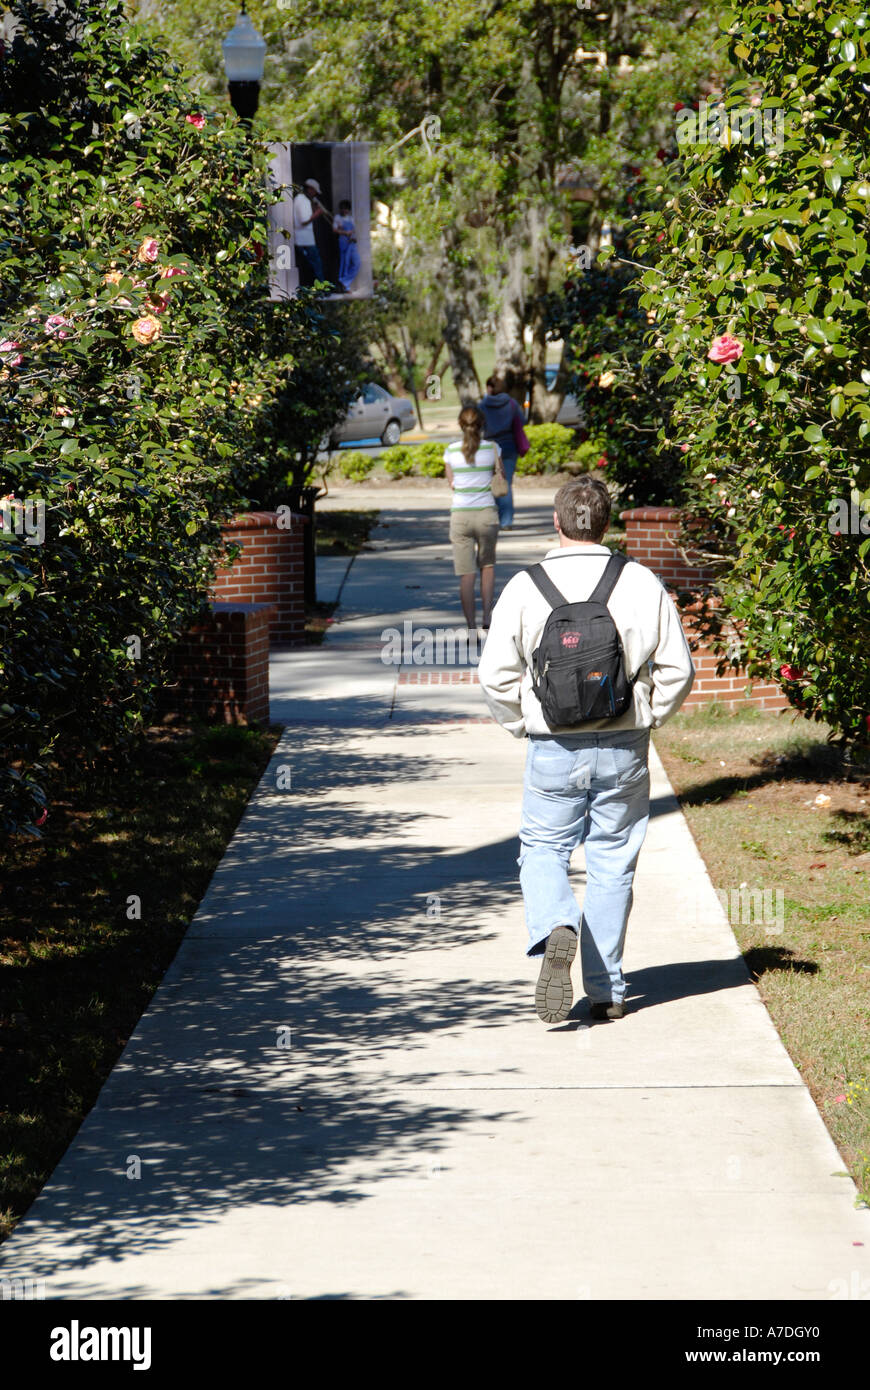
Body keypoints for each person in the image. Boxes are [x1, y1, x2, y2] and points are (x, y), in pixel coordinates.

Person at [477, 475, 695, 1024]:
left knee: (544, 849)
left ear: (556, 522)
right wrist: (649, 714)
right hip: (624, 744)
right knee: (612, 862)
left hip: (553, 745)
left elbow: (494, 676)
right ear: (606, 522)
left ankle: (556, 923)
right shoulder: (640, 581)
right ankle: (606, 989)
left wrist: (520, 725)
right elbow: (679, 670)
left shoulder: (526, 586)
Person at [443, 406, 503, 631]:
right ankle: (487, 617)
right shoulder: (493, 448)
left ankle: (470, 626)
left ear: (460, 425)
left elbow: (452, 484)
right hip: (487, 514)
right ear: (482, 424)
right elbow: (501, 477)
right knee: (487, 566)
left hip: (460, 516)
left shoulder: (451, 451)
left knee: (466, 575)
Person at [478, 373, 525, 529]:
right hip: (509, 447)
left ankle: (495, 517)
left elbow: (478, 425)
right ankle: (506, 521)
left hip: (489, 448)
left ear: (490, 388)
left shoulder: (483, 405)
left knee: (491, 483)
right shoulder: (511, 404)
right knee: (505, 483)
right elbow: (521, 421)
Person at [293, 178, 326, 285]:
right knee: (316, 265)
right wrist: (317, 213)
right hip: (305, 240)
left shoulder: (300, 199)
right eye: (315, 191)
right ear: (310, 189)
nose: (315, 194)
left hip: (302, 239)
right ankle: (320, 288)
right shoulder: (303, 200)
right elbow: (304, 220)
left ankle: (316, 288)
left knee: (310, 265)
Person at [333, 199, 361, 292]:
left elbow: (354, 230)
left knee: (357, 263)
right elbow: (335, 229)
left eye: (347, 209)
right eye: (343, 209)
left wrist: (353, 235)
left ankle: (344, 281)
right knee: (345, 263)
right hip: (343, 242)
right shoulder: (337, 218)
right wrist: (345, 232)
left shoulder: (350, 218)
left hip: (352, 242)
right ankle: (345, 287)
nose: (345, 211)